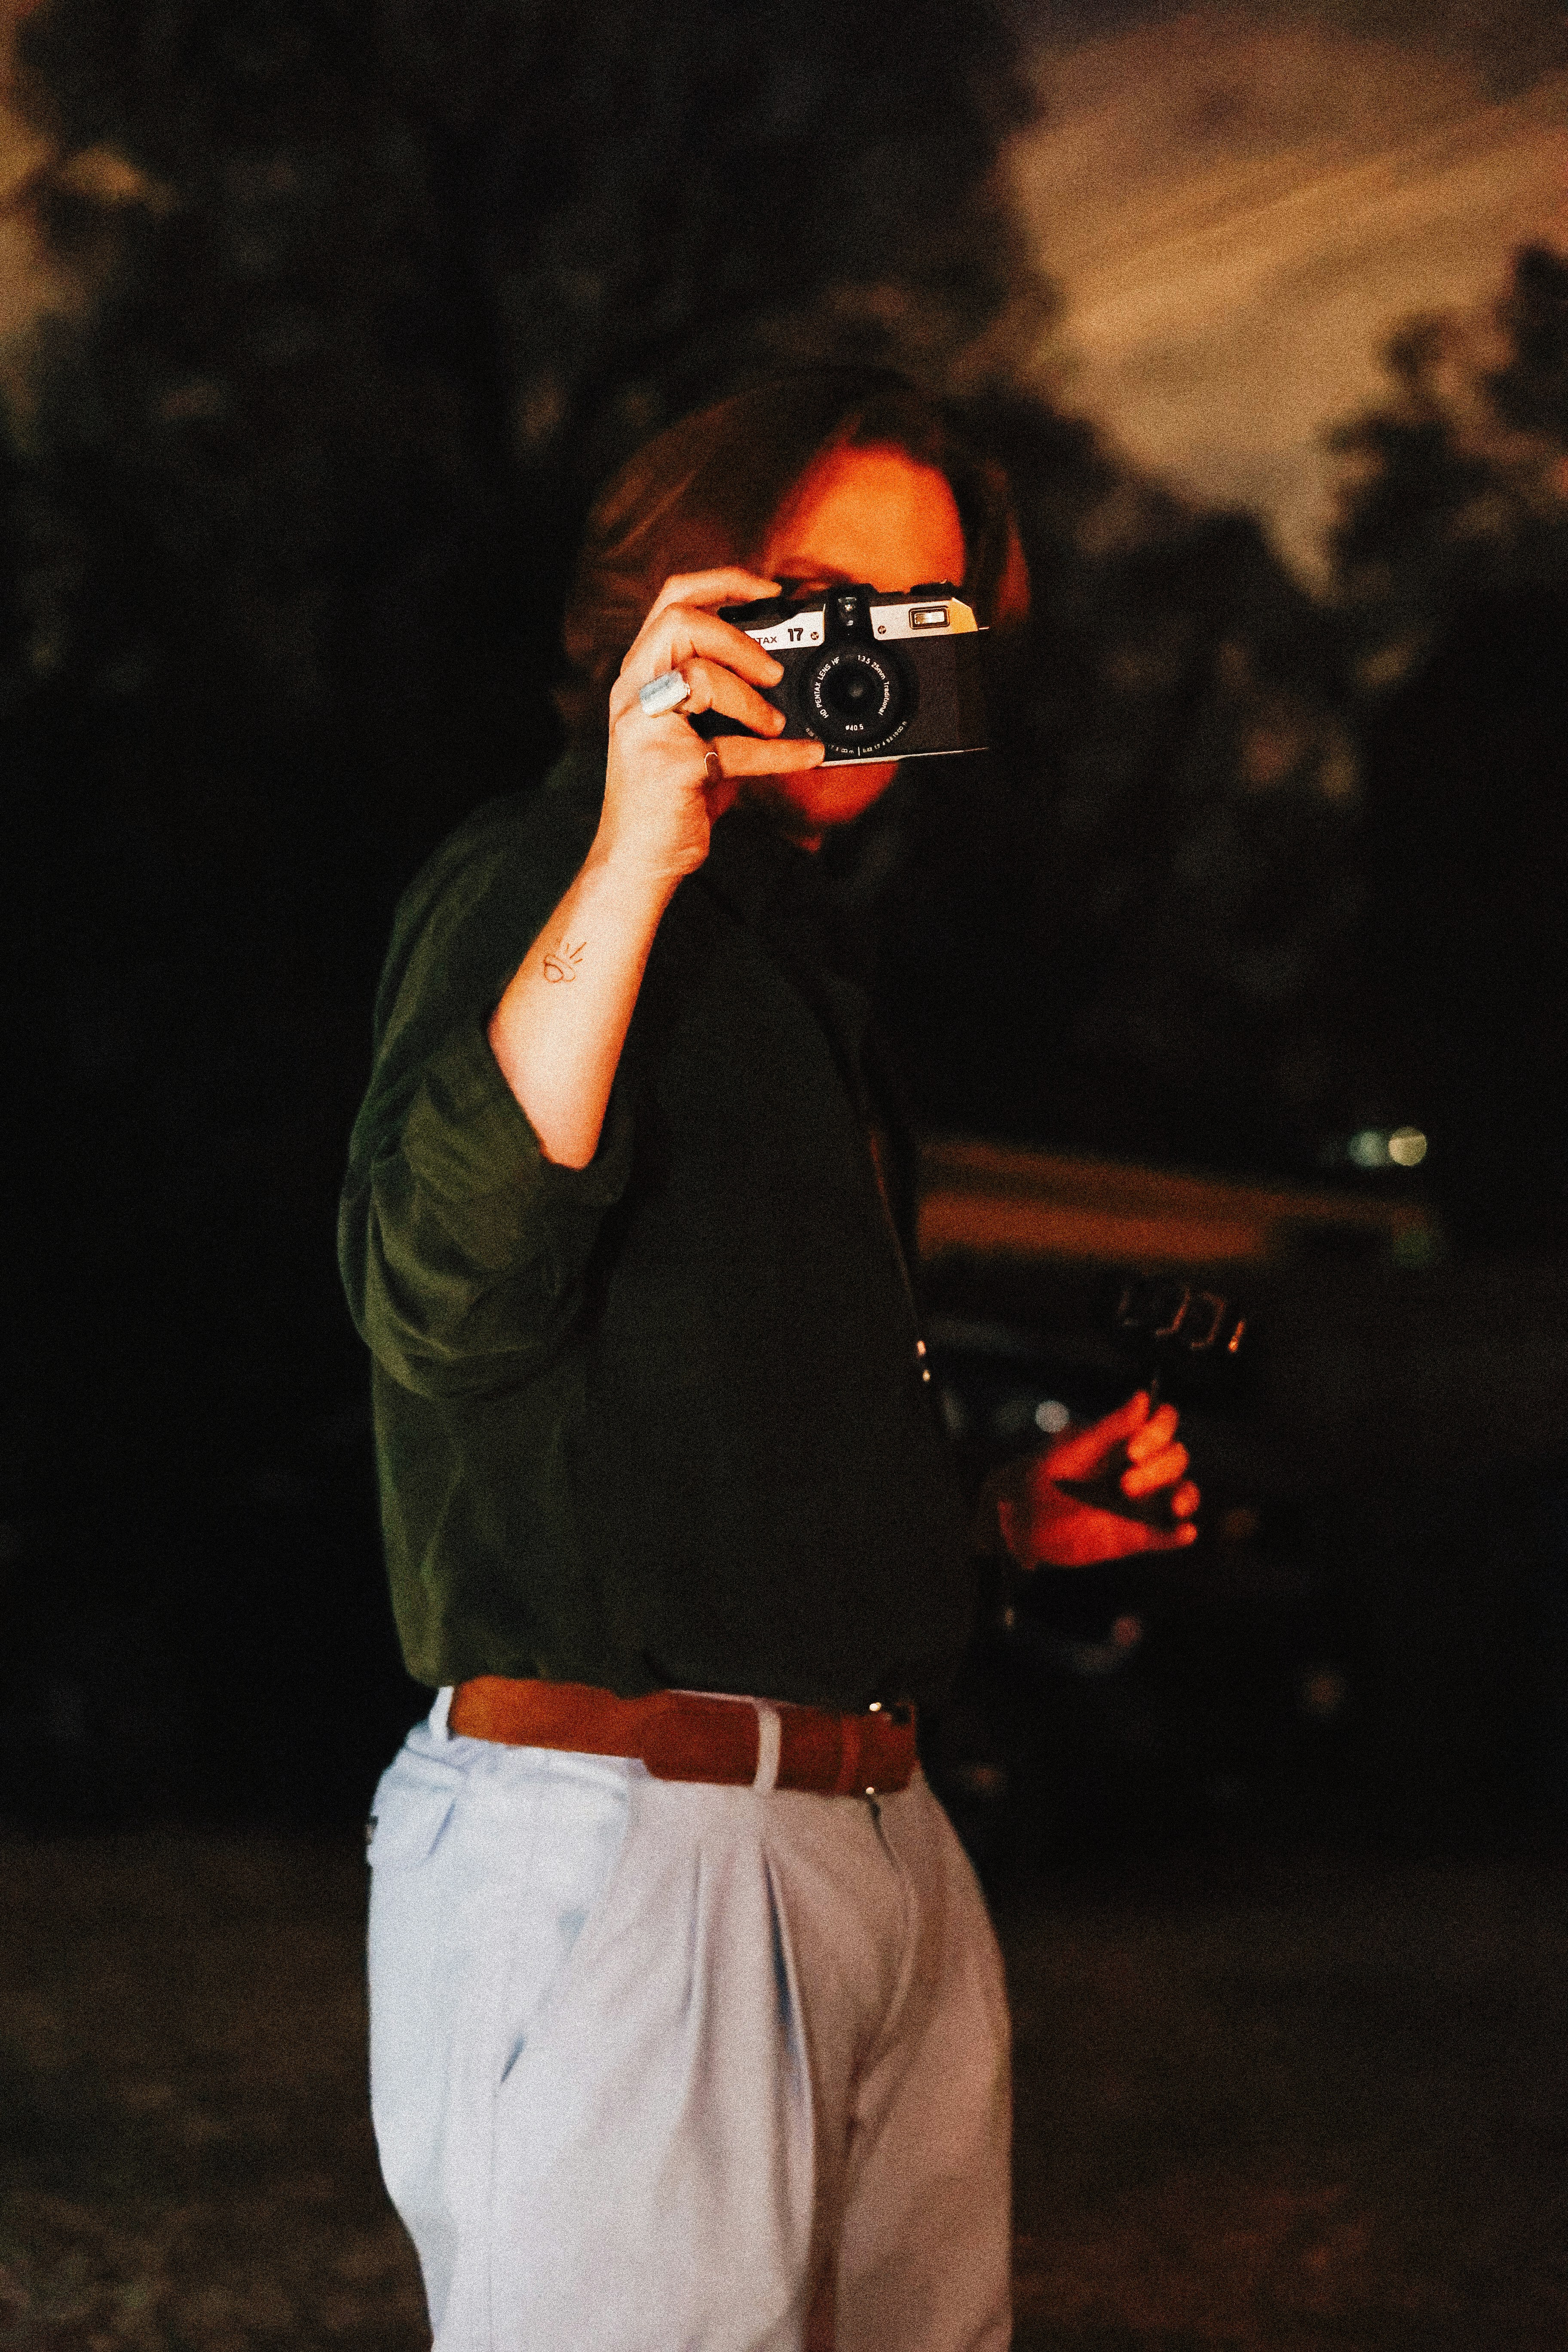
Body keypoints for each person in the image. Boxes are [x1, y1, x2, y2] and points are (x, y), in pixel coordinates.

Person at [339, 371, 1198, 2352]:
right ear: (676, 587)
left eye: (925, 617)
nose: (865, 657)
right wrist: (632, 860)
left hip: (885, 1846)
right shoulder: (536, 882)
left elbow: (718, 1440)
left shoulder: (804, 972)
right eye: (816, 590)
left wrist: (995, 1528)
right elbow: (433, 1296)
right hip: (638, 1842)